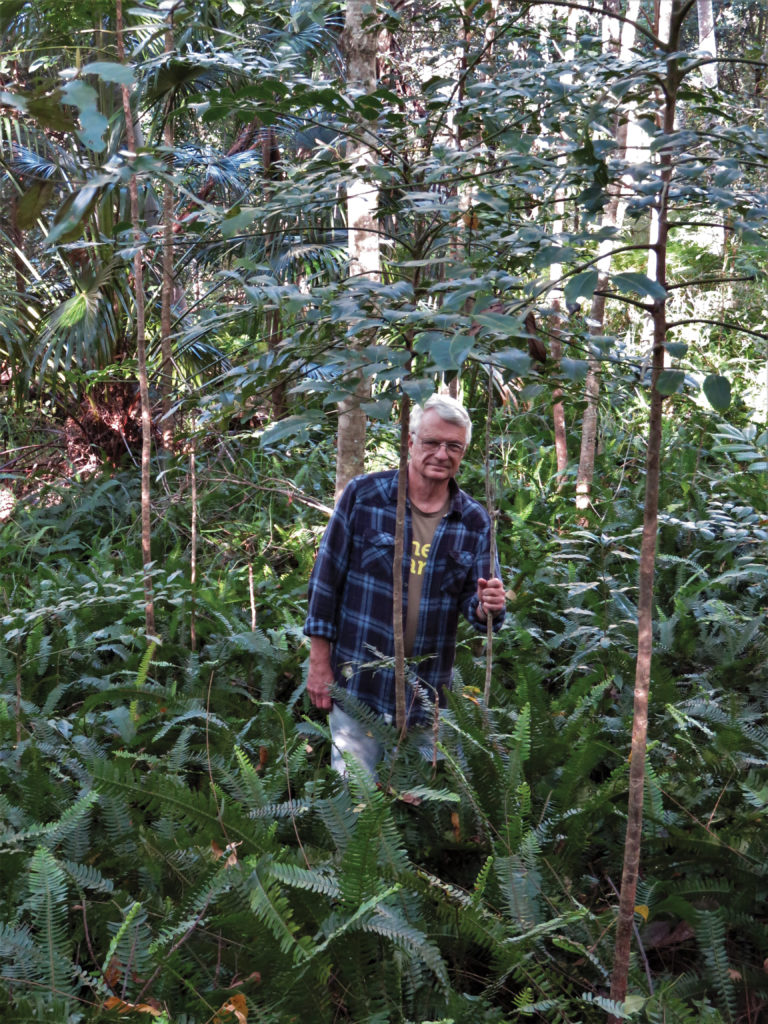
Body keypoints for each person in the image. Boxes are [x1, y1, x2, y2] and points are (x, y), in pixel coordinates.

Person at [303, 393, 506, 776]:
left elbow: (480, 608)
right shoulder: (364, 497)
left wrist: (488, 605)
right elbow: (325, 581)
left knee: (430, 798)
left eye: (453, 446)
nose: (442, 454)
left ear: (463, 452)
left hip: (427, 698)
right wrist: (319, 663)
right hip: (358, 689)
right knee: (356, 796)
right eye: (431, 442)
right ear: (410, 441)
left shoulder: (474, 521)